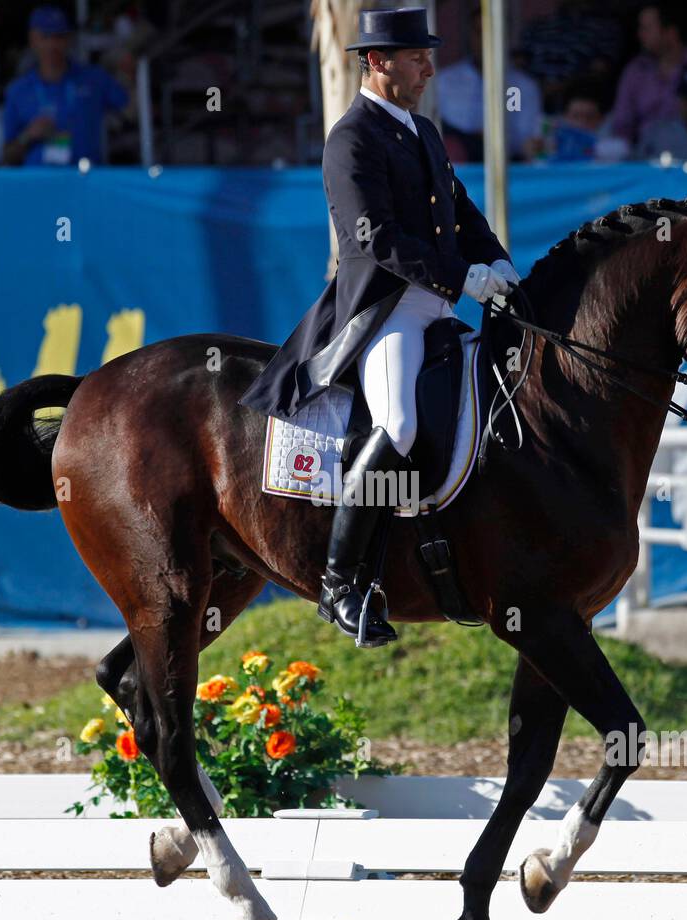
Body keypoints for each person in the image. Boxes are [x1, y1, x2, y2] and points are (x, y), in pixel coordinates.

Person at [237, 7, 517, 647]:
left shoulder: (422, 130)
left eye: (427, 54)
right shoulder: (351, 138)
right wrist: (459, 279)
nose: (427, 65)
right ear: (376, 61)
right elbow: (378, 239)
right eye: (414, 55)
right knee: (399, 422)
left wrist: (495, 258)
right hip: (385, 310)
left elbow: (461, 209)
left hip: (438, 304)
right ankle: (341, 584)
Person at [2, 6, 130, 166]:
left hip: (86, 179)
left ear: (69, 39)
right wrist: (27, 135)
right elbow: (7, 156)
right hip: (40, 184)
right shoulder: (18, 90)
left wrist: (130, 73)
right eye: (45, 36)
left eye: (58, 36)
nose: (52, 44)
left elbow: (132, 110)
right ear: (32, 39)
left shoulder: (94, 78)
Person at [608, 3, 687, 147]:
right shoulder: (635, 70)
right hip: (645, 156)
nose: (640, 35)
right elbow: (622, 125)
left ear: (670, 32)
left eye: (646, 29)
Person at [436, 4, 543, 161]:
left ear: (505, 36)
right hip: (455, 170)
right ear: (470, 36)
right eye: (479, 32)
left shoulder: (522, 86)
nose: (485, 40)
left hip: (509, 168)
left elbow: (528, 139)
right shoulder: (444, 81)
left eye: (492, 33)